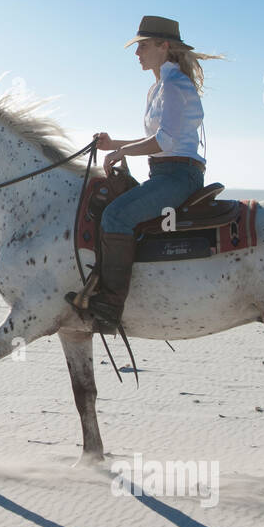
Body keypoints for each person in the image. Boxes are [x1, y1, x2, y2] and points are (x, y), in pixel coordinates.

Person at [81, 16, 223, 333]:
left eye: (143, 46)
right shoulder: (158, 88)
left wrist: (121, 152)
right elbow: (157, 140)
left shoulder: (174, 86)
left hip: (177, 176)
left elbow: (165, 141)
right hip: (164, 172)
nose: (137, 53)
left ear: (164, 46)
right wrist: (113, 144)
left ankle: (109, 308)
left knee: (116, 216)